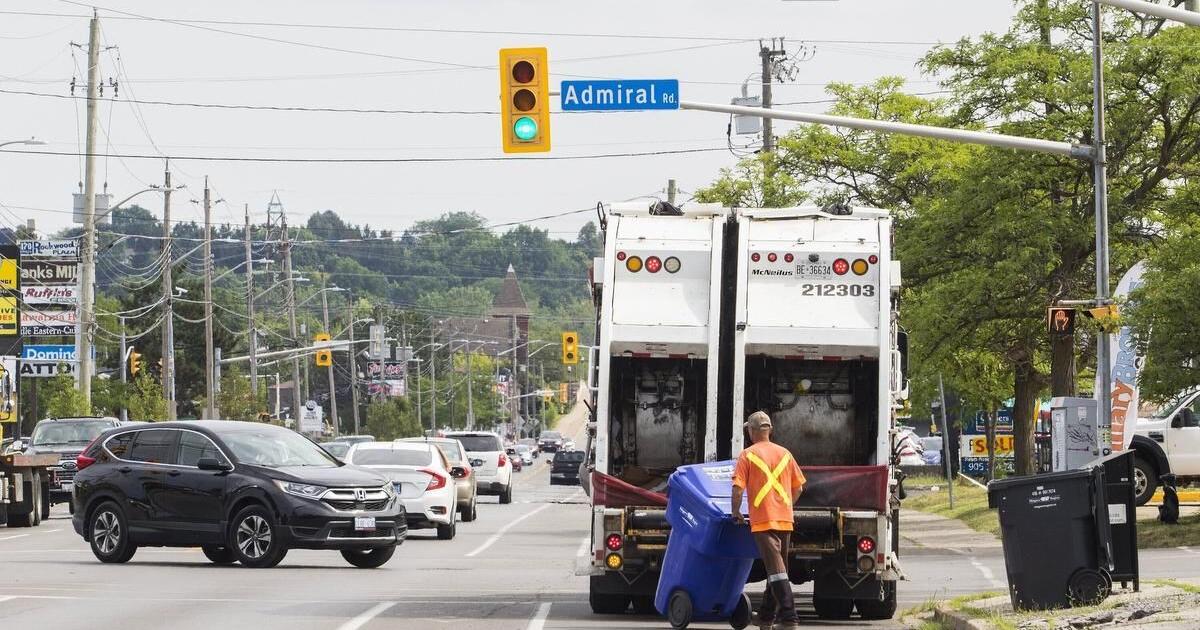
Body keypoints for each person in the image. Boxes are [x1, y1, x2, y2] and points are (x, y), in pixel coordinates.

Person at [732, 411, 805, 630]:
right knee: (776, 568)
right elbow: (799, 487)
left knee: (776, 571)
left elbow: (737, 489)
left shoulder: (747, 455)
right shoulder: (785, 454)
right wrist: (785, 505)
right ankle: (765, 617)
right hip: (784, 519)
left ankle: (790, 619)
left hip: (763, 520)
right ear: (770, 430)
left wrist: (735, 511)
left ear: (751, 431)